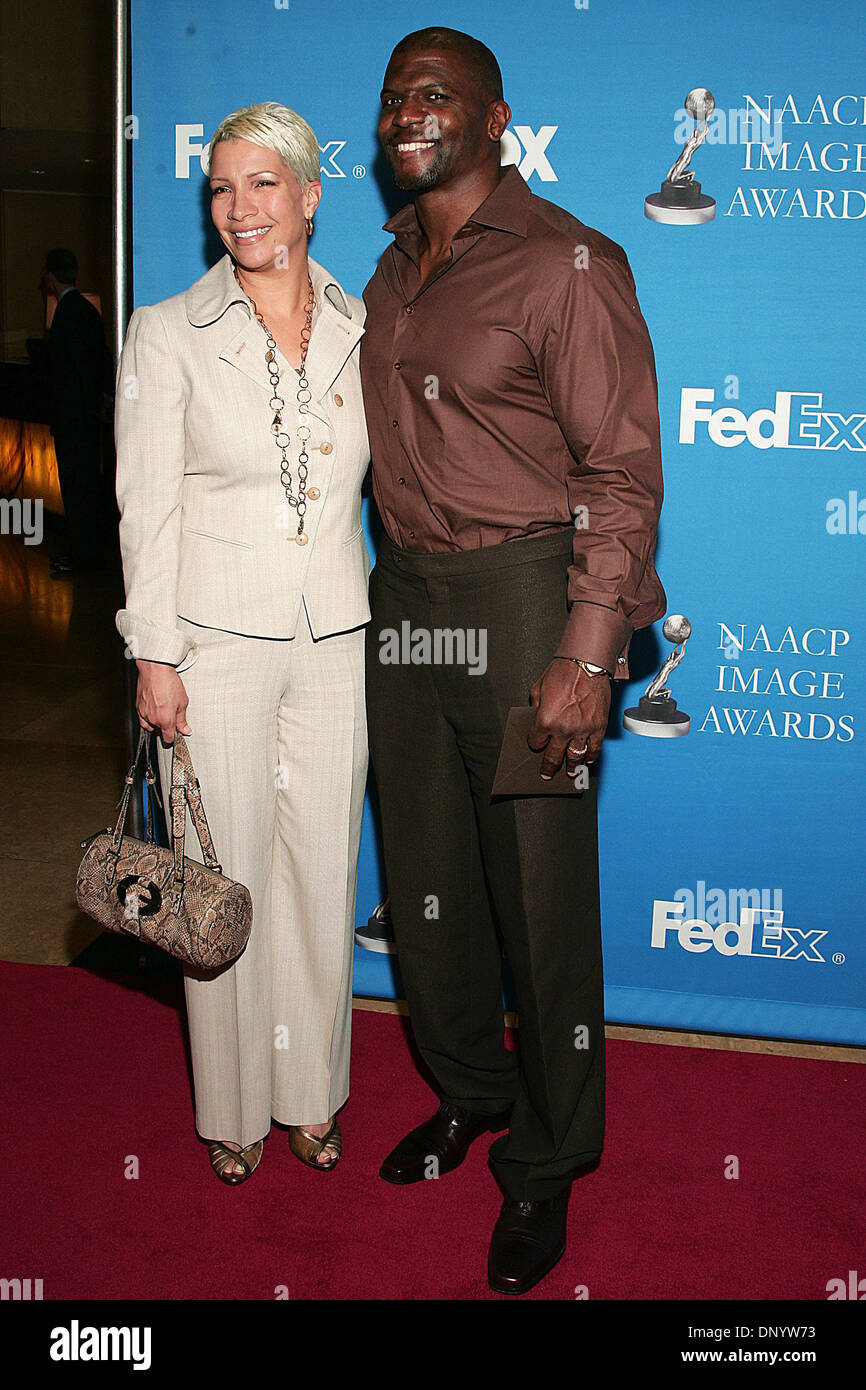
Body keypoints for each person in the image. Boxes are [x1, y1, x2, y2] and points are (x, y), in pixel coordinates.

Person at [361, 29, 666, 1293]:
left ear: (495, 119)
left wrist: (589, 654)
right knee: (427, 892)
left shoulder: (567, 262)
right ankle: (470, 1095)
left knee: (539, 909)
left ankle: (544, 1163)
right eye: (392, 97)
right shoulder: (384, 275)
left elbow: (621, 472)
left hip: (527, 598)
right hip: (408, 603)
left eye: (433, 94)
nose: (407, 112)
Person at [114, 102, 371, 1184]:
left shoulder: (365, 322)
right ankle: (232, 1109)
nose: (238, 208)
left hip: (336, 638)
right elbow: (147, 507)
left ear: (310, 196)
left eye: (262, 184)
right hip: (210, 643)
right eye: (221, 188)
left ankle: (309, 1094)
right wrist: (153, 654)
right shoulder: (167, 330)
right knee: (217, 882)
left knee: (319, 872)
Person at [41, 248, 109, 575]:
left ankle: (83, 555)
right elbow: (100, 360)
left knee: (75, 487)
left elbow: (72, 370)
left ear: (51, 276)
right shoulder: (87, 310)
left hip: (71, 418)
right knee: (87, 486)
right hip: (86, 417)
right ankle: (88, 552)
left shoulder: (65, 314)